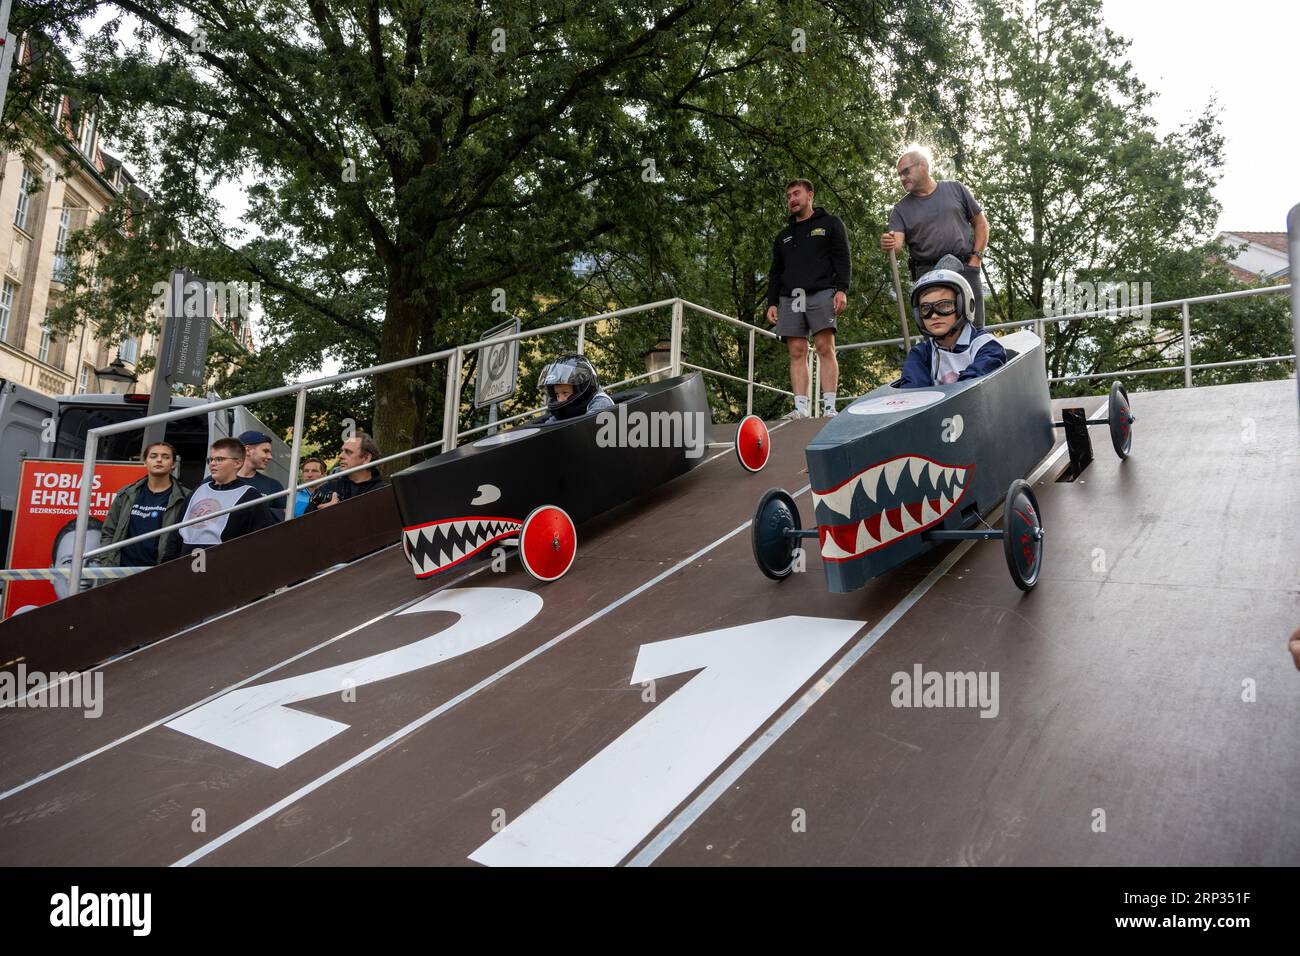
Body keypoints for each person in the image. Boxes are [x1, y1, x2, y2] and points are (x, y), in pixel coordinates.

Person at [766, 178, 850, 419]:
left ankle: (829, 407)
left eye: (796, 193)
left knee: (825, 347)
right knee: (796, 351)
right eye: (789, 196)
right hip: (790, 298)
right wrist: (772, 302)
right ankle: (800, 409)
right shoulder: (783, 236)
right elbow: (775, 272)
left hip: (822, 292)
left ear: (810, 195)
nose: (792, 199)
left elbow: (842, 258)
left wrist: (842, 289)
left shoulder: (831, 223)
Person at [881, 147, 990, 328]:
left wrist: (976, 260)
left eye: (906, 171)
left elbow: (981, 224)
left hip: (966, 268)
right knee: (938, 332)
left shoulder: (956, 188)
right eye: (899, 174)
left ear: (923, 165)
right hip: (929, 275)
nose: (902, 178)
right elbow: (896, 244)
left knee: (974, 328)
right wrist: (889, 243)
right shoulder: (900, 209)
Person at [160, 437, 277, 561]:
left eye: (219, 459)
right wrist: (167, 565)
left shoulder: (250, 495)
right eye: (210, 459)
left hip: (225, 567)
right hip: (187, 564)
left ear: (237, 463)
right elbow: (176, 534)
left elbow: (260, 540)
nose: (212, 463)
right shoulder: (198, 491)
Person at [899, 257, 1006, 388]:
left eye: (944, 305)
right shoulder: (921, 354)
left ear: (964, 306)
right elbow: (913, 393)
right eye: (926, 308)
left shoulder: (986, 347)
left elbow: (970, 390)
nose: (933, 315)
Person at [91, 441, 190, 568]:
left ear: (173, 464)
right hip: (121, 571)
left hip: (161, 571)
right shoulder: (126, 494)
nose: (159, 460)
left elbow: (188, 537)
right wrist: (107, 561)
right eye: (153, 456)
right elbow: (109, 531)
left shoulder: (185, 497)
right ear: (145, 462)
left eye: (165, 457)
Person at [306, 434, 387, 512]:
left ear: (366, 458)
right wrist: (321, 515)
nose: (340, 456)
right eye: (342, 451)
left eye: (348, 452)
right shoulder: (328, 488)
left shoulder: (384, 491)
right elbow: (304, 523)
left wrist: (337, 513)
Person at [536, 353, 615, 424]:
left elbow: (587, 426)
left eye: (565, 393)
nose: (560, 400)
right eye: (557, 395)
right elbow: (550, 425)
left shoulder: (601, 403)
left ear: (581, 389)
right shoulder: (571, 407)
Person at [236, 429, 286, 521]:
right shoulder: (215, 481)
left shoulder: (273, 485)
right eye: (265, 451)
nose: (270, 457)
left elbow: (285, 517)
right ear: (247, 451)